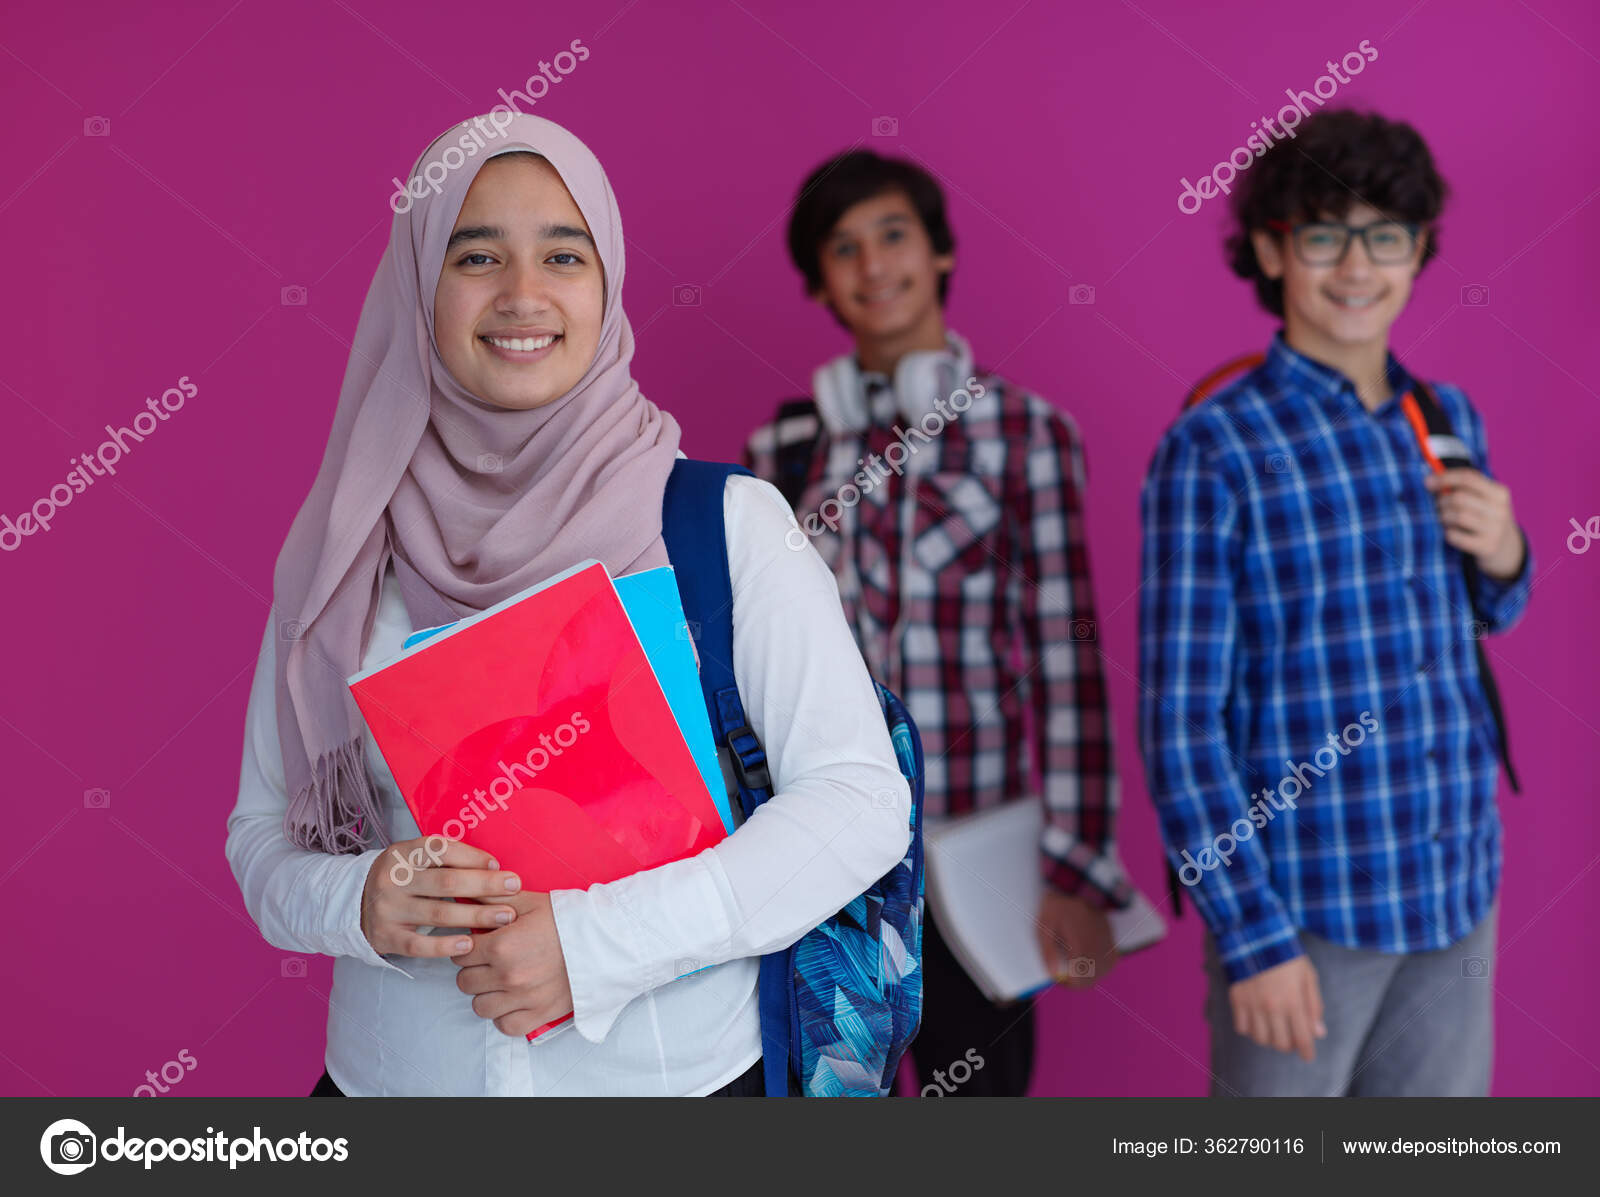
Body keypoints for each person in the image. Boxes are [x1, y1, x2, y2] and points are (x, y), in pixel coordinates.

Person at [224, 114, 911, 1097]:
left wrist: (595, 946)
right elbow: (262, 839)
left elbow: (859, 802)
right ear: (419, 284)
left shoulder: (724, 526)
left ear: (607, 280)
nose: (522, 295)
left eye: (562, 252)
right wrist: (360, 898)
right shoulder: (341, 553)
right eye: (475, 255)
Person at [1139, 109, 1532, 1097]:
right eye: (1323, 234)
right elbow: (1180, 724)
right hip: (1308, 912)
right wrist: (1251, 938)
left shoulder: (1445, 417)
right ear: (1273, 251)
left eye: (1385, 236)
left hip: (1455, 887)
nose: (1356, 266)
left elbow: (1480, 621)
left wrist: (1507, 555)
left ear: (1417, 251)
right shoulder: (1214, 448)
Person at [743, 150, 1131, 1097]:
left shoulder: (1027, 434)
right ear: (820, 282)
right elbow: (759, 674)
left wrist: (1077, 869)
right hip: (825, 869)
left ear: (941, 253)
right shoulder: (783, 451)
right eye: (843, 248)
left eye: (893, 236)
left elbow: (1066, 660)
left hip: (975, 863)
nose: (873, 265)